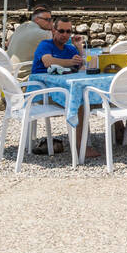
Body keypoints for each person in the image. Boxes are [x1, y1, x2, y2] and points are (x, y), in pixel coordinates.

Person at [30, 16, 98, 159]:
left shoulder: (69, 48)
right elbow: (48, 62)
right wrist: (70, 62)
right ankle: (81, 147)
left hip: (62, 90)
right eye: (61, 31)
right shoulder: (45, 44)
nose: (65, 35)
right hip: (43, 94)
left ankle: (119, 133)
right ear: (53, 30)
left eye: (68, 31)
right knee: (80, 101)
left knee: (101, 96)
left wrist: (79, 48)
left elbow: (82, 66)